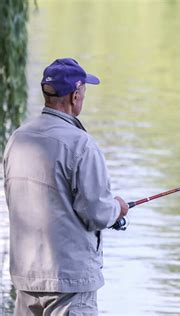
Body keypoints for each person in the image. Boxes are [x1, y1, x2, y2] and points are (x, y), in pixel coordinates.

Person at [3, 58, 129, 315]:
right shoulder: (81, 145)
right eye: (84, 91)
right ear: (75, 96)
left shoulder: (17, 139)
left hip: (26, 277)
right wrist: (118, 207)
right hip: (69, 282)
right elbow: (98, 213)